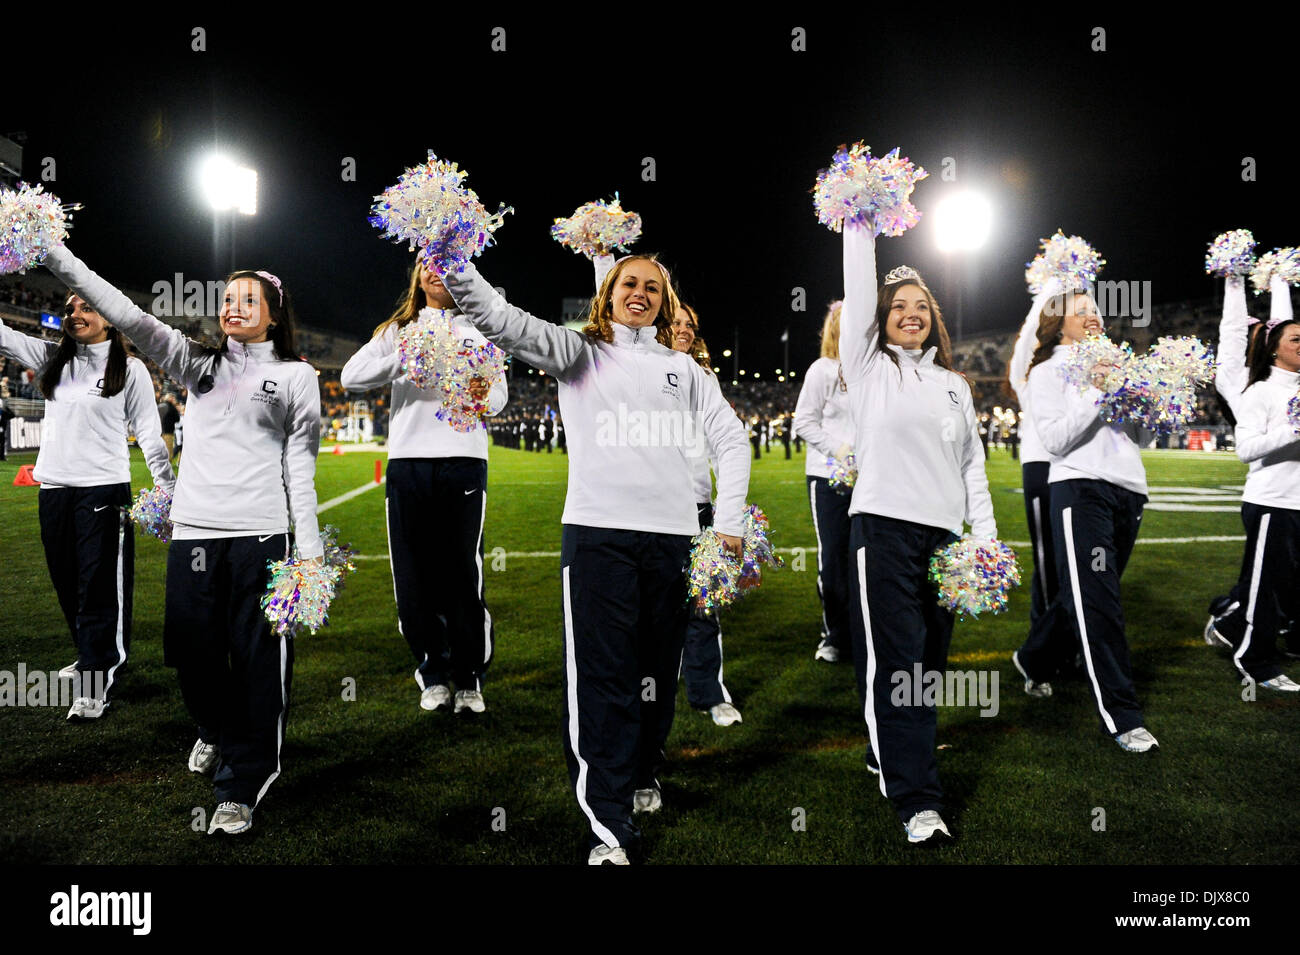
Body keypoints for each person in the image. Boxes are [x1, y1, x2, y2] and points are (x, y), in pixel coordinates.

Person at [438, 251, 750, 865]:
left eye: (653, 287)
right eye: (629, 283)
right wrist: (452, 255)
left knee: (657, 674)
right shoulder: (578, 353)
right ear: (607, 294)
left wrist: (731, 523)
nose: (641, 293)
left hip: (674, 539)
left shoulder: (683, 369)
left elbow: (731, 437)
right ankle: (609, 828)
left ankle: (641, 773)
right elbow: (497, 317)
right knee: (603, 680)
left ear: (665, 301)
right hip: (598, 537)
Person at [44, 245, 322, 836]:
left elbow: (301, 466)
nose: (233, 307)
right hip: (194, 537)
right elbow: (124, 311)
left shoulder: (296, 376)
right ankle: (214, 730)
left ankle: (242, 782)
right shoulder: (199, 365)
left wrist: (310, 553)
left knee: (256, 666)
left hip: (261, 538)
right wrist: (51, 249)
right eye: (226, 299)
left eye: (249, 300)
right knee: (192, 656)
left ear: (273, 314)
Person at [839, 222, 997, 845]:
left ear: (936, 318)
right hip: (880, 532)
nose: (911, 314)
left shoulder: (955, 387)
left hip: (943, 540)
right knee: (897, 661)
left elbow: (972, 467)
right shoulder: (868, 367)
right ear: (881, 319)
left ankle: (892, 751)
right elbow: (856, 290)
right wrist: (860, 222)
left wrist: (981, 538)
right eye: (898, 307)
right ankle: (917, 799)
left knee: (928, 666)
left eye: (921, 306)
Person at [340, 260, 507, 713]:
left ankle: (470, 674)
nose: (436, 271)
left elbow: (497, 398)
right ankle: (432, 668)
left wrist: (474, 389)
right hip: (408, 463)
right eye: (425, 264)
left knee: (462, 574)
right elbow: (350, 378)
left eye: (447, 263)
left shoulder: (482, 326)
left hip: (464, 461)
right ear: (415, 276)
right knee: (412, 577)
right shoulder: (398, 329)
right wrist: (405, 357)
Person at [0, 293, 174, 719]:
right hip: (54, 487)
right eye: (69, 310)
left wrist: (168, 488)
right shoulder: (50, 357)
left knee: (99, 585)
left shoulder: (130, 369)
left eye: (86, 308)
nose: (75, 315)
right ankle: (87, 652)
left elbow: (149, 434)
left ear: (110, 320)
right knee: (67, 579)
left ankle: (98, 677)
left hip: (103, 490)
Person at [1013, 288, 1157, 751]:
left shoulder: (1116, 364)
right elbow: (1054, 441)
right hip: (1079, 489)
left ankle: (1034, 659)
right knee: (1100, 603)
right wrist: (1098, 387)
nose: (1093, 316)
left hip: (1129, 489)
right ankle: (1122, 716)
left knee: (1081, 595)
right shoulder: (1049, 372)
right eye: (1082, 311)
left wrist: (1144, 398)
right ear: (1058, 323)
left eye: (1095, 309)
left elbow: (1145, 438)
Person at [1204, 272, 1300, 689]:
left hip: (1296, 501)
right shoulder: (1260, 391)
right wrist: (1235, 278)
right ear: (1275, 350)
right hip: (1271, 502)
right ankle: (1255, 660)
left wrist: (1281, 281)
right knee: (1264, 591)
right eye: (1295, 340)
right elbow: (1246, 449)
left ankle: (1228, 627)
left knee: (1280, 586)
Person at [668, 302, 743, 727]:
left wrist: (729, 510)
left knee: (702, 606)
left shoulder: (704, 379)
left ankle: (709, 692)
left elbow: (724, 446)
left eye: (690, 325)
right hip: (650, 511)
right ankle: (650, 688)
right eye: (676, 322)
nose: (683, 329)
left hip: (697, 507)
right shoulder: (644, 369)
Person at [1007, 281, 1077, 696]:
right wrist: (1051, 288)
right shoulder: (1031, 372)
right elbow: (1028, 337)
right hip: (1042, 467)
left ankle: (1061, 646)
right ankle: (1043, 659)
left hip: (1080, 470)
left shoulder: (1082, 363)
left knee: (1078, 567)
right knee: (1049, 564)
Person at [792, 302, 855, 664]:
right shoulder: (823, 370)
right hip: (828, 476)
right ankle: (834, 635)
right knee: (833, 561)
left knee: (865, 559)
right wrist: (841, 450)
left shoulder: (873, 371)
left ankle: (861, 631)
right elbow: (803, 422)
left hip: (872, 479)